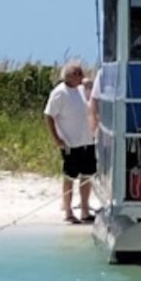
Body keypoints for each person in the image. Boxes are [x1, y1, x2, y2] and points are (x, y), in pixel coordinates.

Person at [44, 60, 98, 225]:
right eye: (78, 73)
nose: (81, 76)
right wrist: (57, 139)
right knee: (70, 176)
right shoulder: (59, 93)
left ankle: (85, 210)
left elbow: (91, 90)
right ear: (69, 75)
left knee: (87, 176)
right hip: (71, 143)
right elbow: (48, 116)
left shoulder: (81, 90)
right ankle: (68, 210)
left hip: (87, 141)